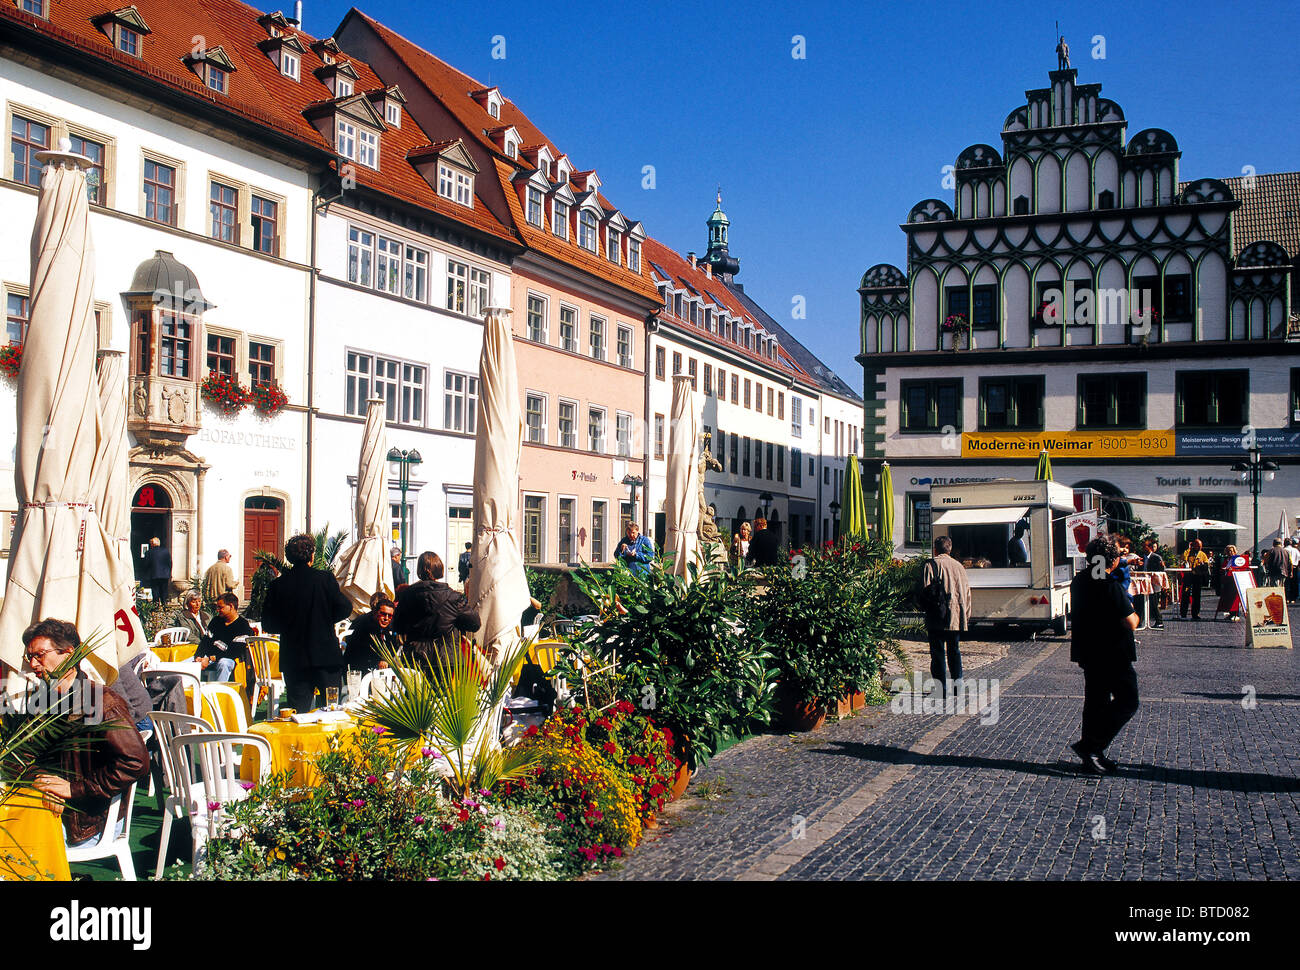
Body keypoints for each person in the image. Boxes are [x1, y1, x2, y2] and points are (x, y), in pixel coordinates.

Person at [24, 619, 150, 846]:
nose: (33, 664)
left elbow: (135, 763)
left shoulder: (100, 702)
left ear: (69, 653)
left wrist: (73, 789)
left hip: (87, 821)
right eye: (29, 656)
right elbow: (20, 755)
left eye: (40, 655)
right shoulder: (40, 700)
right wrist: (47, 784)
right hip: (48, 805)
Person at [1069, 534, 1140, 776]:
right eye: (1119, 555)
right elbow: (1131, 621)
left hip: (1089, 651)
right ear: (1111, 560)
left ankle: (1093, 754)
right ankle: (1090, 746)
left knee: (1095, 702)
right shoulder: (1109, 585)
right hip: (1113, 653)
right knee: (1128, 700)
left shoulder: (1080, 580)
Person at [261, 533, 353, 713]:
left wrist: (290, 624)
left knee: (299, 712)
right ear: (312, 555)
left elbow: (268, 624)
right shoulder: (325, 579)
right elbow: (345, 607)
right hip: (325, 654)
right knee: (331, 711)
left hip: (295, 657)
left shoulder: (278, 585)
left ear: (289, 557)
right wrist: (325, 618)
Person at [392, 551, 481, 669]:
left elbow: (397, 626)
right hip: (447, 659)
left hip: (416, 658)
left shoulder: (407, 595)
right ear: (439, 569)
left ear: (419, 571)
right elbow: (474, 624)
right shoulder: (453, 597)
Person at [921, 536, 971, 695]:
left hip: (937, 616)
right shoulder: (960, 567)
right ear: (949, 549)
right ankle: (958, 687)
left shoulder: (931, 565)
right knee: (954, 651)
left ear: (935, 549)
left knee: (937, 653)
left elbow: (924, 590)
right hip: (956, 616)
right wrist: (966, 616)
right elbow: (967, 594)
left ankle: (940, 688)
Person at [195, 593, 256, 693]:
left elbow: (234, 652)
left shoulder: (243, 626)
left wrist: (209, 658)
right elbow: (205, 641)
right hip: (209, 659)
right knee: (185, 664)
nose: (217, 610)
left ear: (231, 606)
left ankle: (219, 695)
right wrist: (198, 656)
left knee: (224, 663)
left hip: (231, 661)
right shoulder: (216, 621)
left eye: (220, 607)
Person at [344, 595, 399, 673]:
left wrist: (386, 659)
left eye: (390, 616)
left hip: (376, 668)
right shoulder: (363, 625)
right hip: (356, 669)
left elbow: (393, 645)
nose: (386, 618)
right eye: (383, 614)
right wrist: (379, 661)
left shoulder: (390, 625)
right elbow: (359, 653)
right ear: (375, 613)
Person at [1180, 538, 1210, 620]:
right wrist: (1188, 548)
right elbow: (1183, 559)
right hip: (1188, 575)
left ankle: (1195, 614)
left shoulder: (1203, 554)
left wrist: (1202, 563)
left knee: (1196, 596)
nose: (1199, 547)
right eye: (1198, 546)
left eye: (1201, 546)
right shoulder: (1188, 552)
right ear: (1194, 545)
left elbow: (1206, 566)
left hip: (1197, 576)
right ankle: (1183, 613)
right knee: (1185, 594)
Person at [1141, 538, 1166, 629]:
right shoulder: (1141, 557)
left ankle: (1159, 621)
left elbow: (1161, 570)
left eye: (1145, 547)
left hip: (1153, 584)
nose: (1143, 548)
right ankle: (1141, 621)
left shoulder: (1156, 557)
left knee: (1154, 603)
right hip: (1144, 583)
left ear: (1150, 548)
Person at [144, 537, 172, 606]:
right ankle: (164, 605)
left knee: (155, 591)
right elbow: (170, 563)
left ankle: (156, 606)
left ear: (152, 544)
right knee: (164, 591)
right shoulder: (166, 551)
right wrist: (169, 573)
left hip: (154, 575)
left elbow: (146, 564)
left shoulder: (149, 552)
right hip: (165, 575)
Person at [1283, 538, 1300, 604]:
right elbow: (1299, 559)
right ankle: (1293, 599)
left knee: (1286, 584)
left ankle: (1287, 598)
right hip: (1295, 567)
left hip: (1286, 568)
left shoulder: (1284, 550)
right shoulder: (1295, 550)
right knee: (1294, 584)